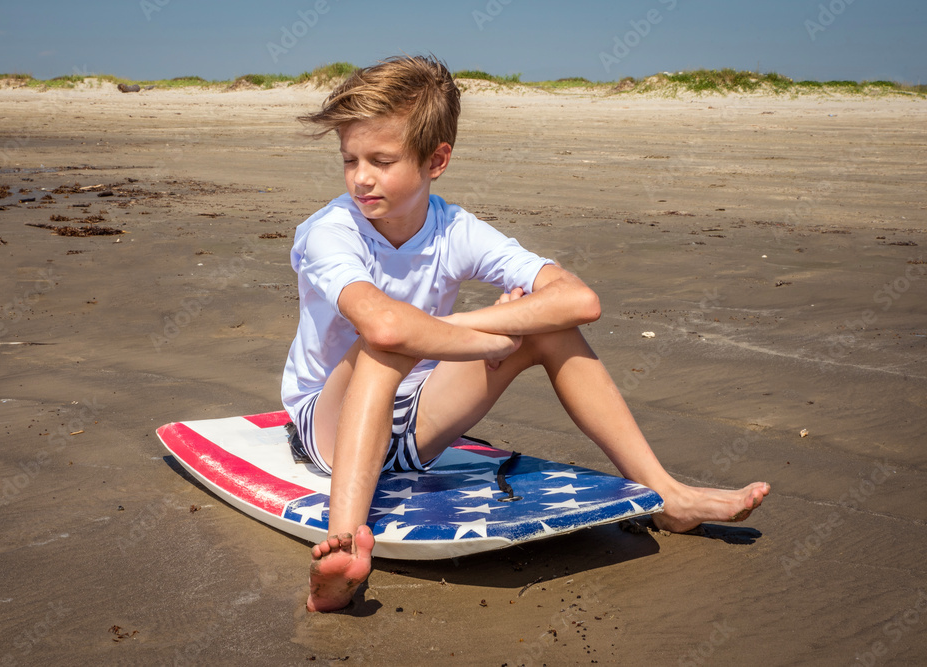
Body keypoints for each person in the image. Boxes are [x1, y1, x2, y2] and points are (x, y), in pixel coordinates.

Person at [282, 55, 769, 613]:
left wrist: (486, 328)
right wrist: (489, 335)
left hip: (415, 415)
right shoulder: (330, 233)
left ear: (436, 160)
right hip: (329, 421)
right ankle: (344, 548)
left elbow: (579, 301)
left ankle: (668, 496)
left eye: (382, 160)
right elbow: (385, 325)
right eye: (349, 160)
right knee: (384, 342)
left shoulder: (454, 229)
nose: (361, 177)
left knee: (547, 332)